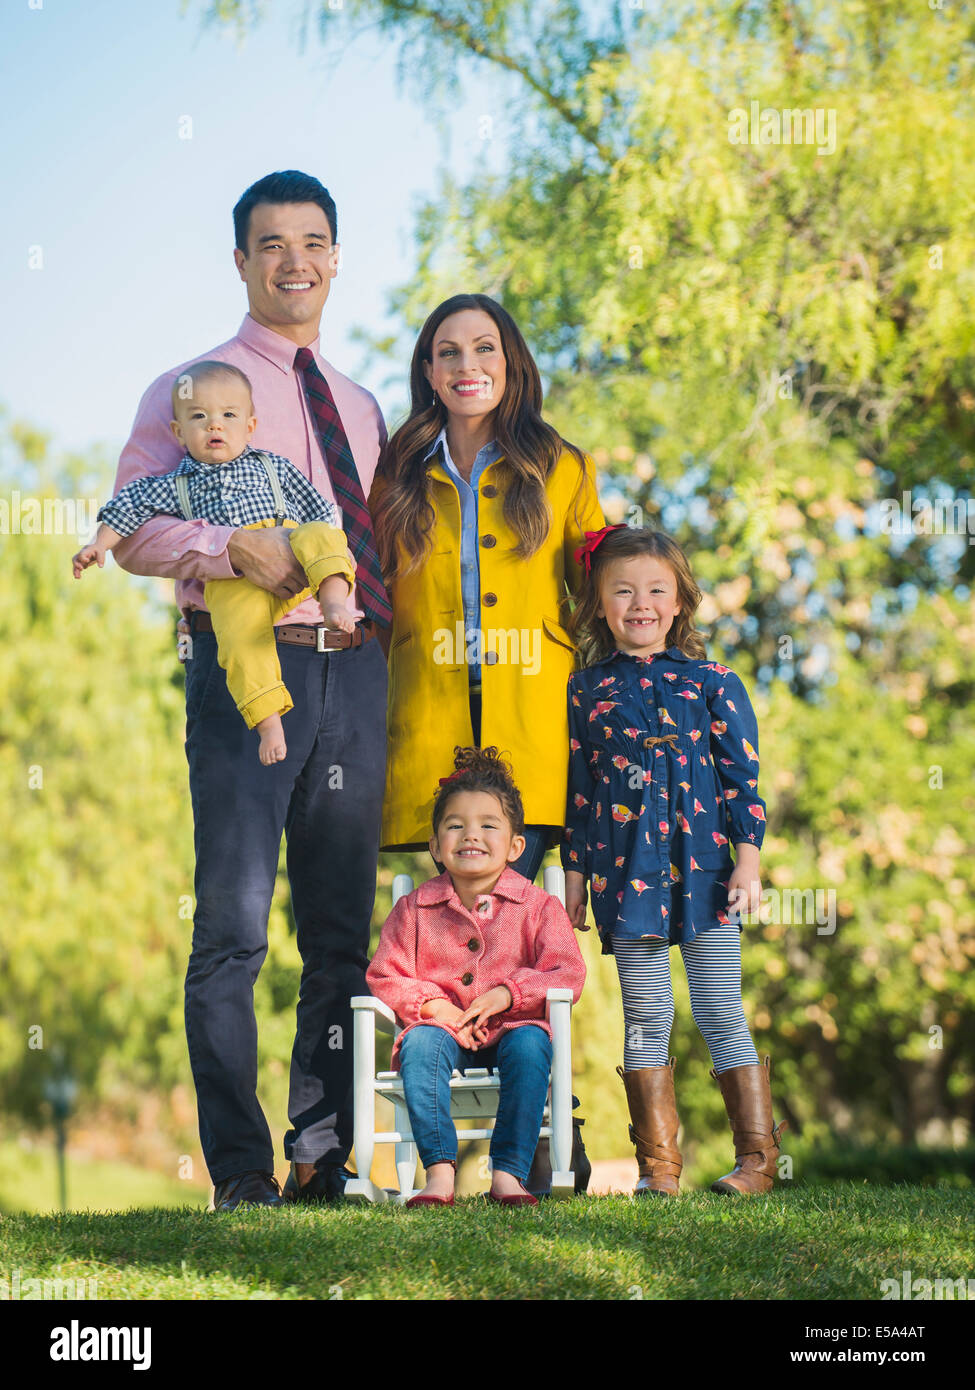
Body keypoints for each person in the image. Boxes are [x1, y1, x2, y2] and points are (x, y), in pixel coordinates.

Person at [109, 170, 390, 1211]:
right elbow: (134, 525)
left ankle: (323, 1157)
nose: (295, 262)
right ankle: (240, 1173)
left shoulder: (360, 403)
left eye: (313, 242)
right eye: (272, 244)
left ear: (334, 256)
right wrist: (230, 546)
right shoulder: (191, 388)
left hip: (355, 672)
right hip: (242, 671)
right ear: (240, 261)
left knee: (340, 933)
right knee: (230, 923)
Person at [562, 524, 786, 1197]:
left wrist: (747, 864)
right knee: (646, 1014)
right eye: (622, 590)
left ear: (679, 600)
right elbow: (577, 793)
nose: (640, 603)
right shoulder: (583, 692)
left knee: (720, 1008)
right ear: (599, 604)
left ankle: (757, 1162)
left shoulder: (714, 682)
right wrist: (574, 880)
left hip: (707, 873)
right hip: (623, 876)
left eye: (656, 589)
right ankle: (658, 1171)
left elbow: (741, 781)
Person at [369, 293, 606, 882]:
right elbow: (371, 599)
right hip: (426, 717)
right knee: (442, 918)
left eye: (483, 349)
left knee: (513, 911)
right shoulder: (396, 475)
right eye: (447, 353)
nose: (466, 366)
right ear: (428, 371)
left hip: (534, 719)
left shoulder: (564, 467)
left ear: (511, 364)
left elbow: (604, 591)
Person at [73, 361, 358, 765]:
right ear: (178, 432)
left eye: (228, 416)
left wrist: (326, 552)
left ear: (250, 426)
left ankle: (334, 603)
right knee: (240, 640)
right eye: (199, 418)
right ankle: (268, 719)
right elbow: (129, 506)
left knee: (321, 534)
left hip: (295, 553)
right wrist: (98, 544)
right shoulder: (176, 485)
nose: (214, 427)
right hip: (234, 581)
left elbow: (321, 511)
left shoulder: (273, 466)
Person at [366, 746, 586, 1206]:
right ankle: (440, 1175)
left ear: (515, 845)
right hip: (442, 1036)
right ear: (434, 846)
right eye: (455, 825)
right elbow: (385, 975)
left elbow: (568, 971)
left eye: (489, 825)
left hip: (513, 1031)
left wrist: (510, 993)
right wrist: (435, 1006)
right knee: (419, 1044)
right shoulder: (414, 909)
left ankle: (507, 1175)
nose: (471, 835)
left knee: (531, 1046)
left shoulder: (539, 906)